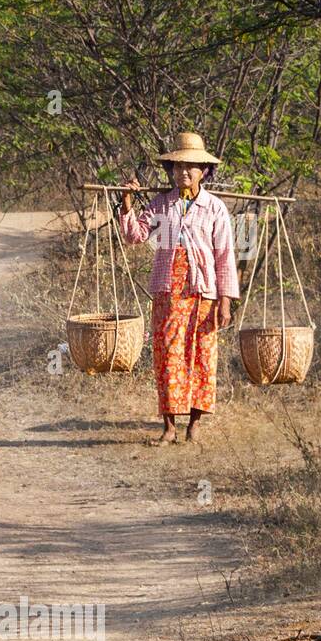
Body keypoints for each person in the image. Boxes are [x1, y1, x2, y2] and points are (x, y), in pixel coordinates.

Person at [119, 132, 240, 444]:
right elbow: (135, 235)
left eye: (191, 167)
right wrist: (127, 202)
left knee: (203, 355)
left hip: (205, 292)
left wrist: (224, 301)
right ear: (171, 170)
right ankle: (170, 427)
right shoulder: (162, 204)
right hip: (168, 291)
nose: (183, 172)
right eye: (178, 167)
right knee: (168, 354)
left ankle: (194, 425)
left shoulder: (214, 208)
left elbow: (225, 256)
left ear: (204, 171)